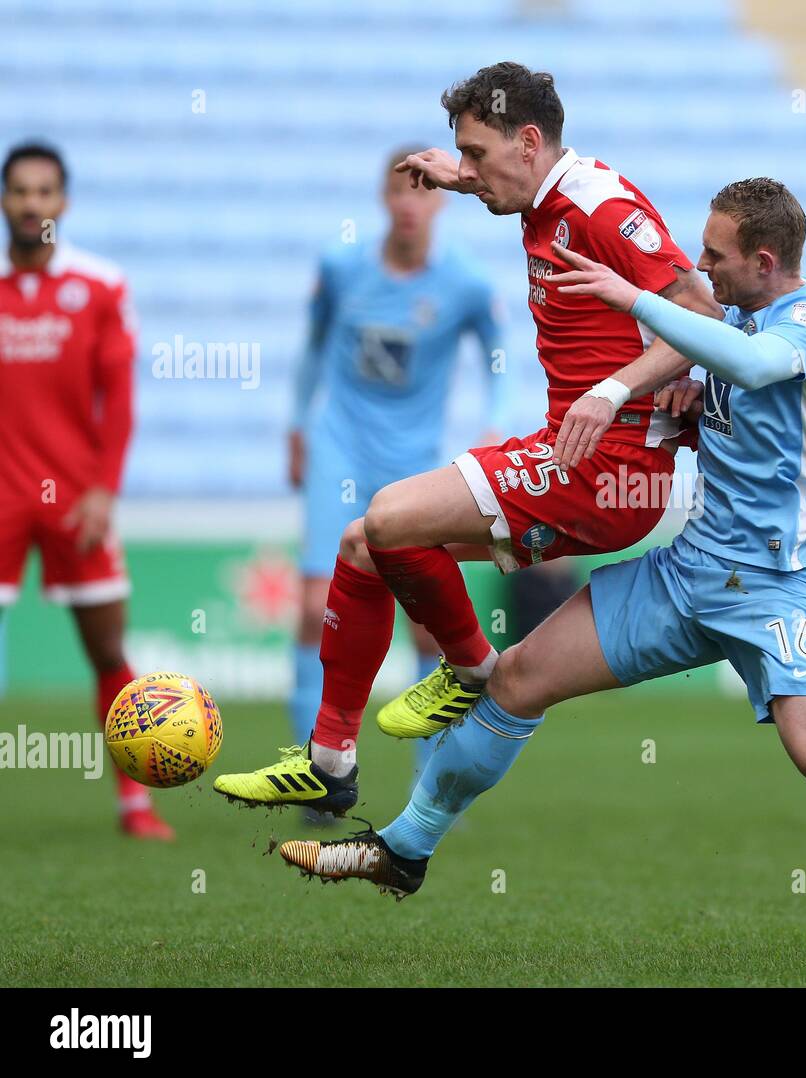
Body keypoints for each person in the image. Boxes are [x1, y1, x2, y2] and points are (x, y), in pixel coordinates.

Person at [277, 178, 806, 969]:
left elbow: (751, 361)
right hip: (687, 573)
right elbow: (714, 369)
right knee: (517, 679)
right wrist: (651, 395)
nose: (700, 267)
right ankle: (404, 850)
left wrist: (634, 301)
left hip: (776, 587)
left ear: (765, 260)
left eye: (715, 256)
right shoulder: (734, 317)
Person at [213, 61, 718, 815]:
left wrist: (619, 391)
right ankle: (329, 761)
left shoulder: (599, 206)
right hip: (577, 456)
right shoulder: (540, 193)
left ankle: (473, 669)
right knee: (364, 544)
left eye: (479, 155)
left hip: (603, 467)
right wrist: (463, 178)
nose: (471, 171)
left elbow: (701, 313)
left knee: (387, 518)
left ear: (529, 142)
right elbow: (522, 195)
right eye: (465, 157)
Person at [288, 146, 506, 793]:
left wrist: (495, 421)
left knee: (424, 620)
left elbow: (502, 358)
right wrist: (298, 424)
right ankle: (319, 768)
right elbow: (311, 348)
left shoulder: (464, 282)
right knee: (310, 604)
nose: (410, 202)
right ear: (384, 198)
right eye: (399, 190)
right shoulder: (341, 265)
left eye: (422, 190)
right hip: (341, 444)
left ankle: (428, 781)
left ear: (440, 199)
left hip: (413, 458)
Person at [0, 142, 172, 839]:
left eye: (45, 192)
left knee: (107, 653)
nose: (32, 203)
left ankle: (134, 802)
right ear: (5, 202)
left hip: (76, 500)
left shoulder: (101, 285)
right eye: (19, 192)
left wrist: (103, 490)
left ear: (62, 203)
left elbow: (120, 400)